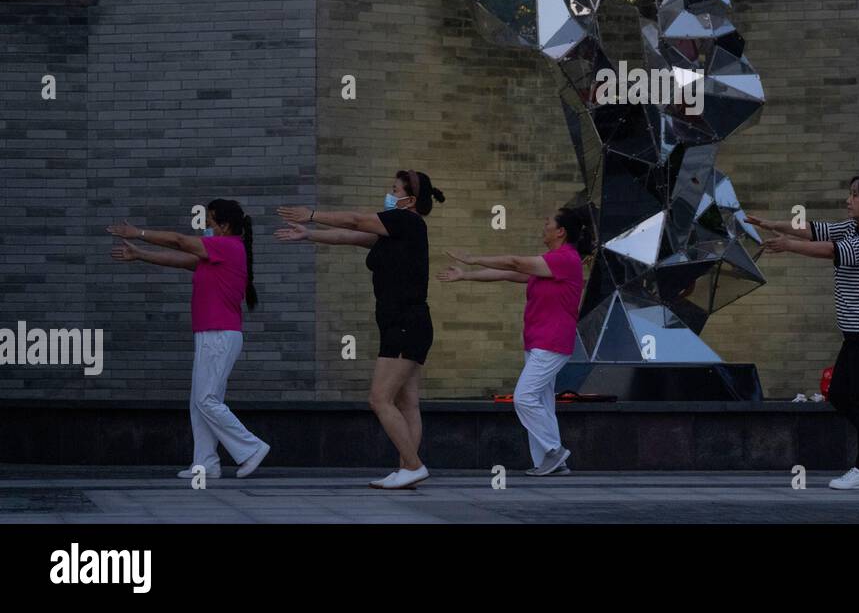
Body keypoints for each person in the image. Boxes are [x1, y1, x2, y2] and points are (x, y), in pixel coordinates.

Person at [276, 170, 444, 490]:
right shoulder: (393, 230)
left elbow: (354, 221)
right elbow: (348, 236)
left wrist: (312, 214)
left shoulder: (406, 222)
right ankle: (406, 468)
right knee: (407, 403)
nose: (389, 194)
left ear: (409, 198)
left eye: (394, 190)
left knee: (379, 399)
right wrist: (308, 234)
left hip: (404, 324)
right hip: (409, 323)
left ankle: (414, 464)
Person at [750, 173, 859, 490]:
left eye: (854, 195)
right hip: (855, 331)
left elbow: (831, 251)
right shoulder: (853, 227)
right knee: (838, 393)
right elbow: (812, 230)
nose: (848, 200)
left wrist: (789, 247)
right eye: (849, 193)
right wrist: (770, 224)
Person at [108, 199, 271, 481]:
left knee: (206, 399)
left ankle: (251, 448)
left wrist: (139, 233)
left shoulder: (228, 246)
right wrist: (140, 254)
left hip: (219, 334)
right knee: (201, 401)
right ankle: (206, 463)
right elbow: (179, 258)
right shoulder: (215, 253)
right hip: (211, 333)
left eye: (209, 223)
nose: (205, 227)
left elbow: (180, 241)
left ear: (225, 225)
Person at [437, 207, 590, 476]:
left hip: (551, 342)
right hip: (538, 342)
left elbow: (513, 262)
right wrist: (466, 275)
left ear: (560, 231)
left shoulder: (565, 259)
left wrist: (473, 259)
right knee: (542, 403)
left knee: (524, 398)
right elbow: (508, 274)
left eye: (547, 223)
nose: (543, 227)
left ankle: (554, 451)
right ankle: (552, 462)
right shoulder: (550, 262)